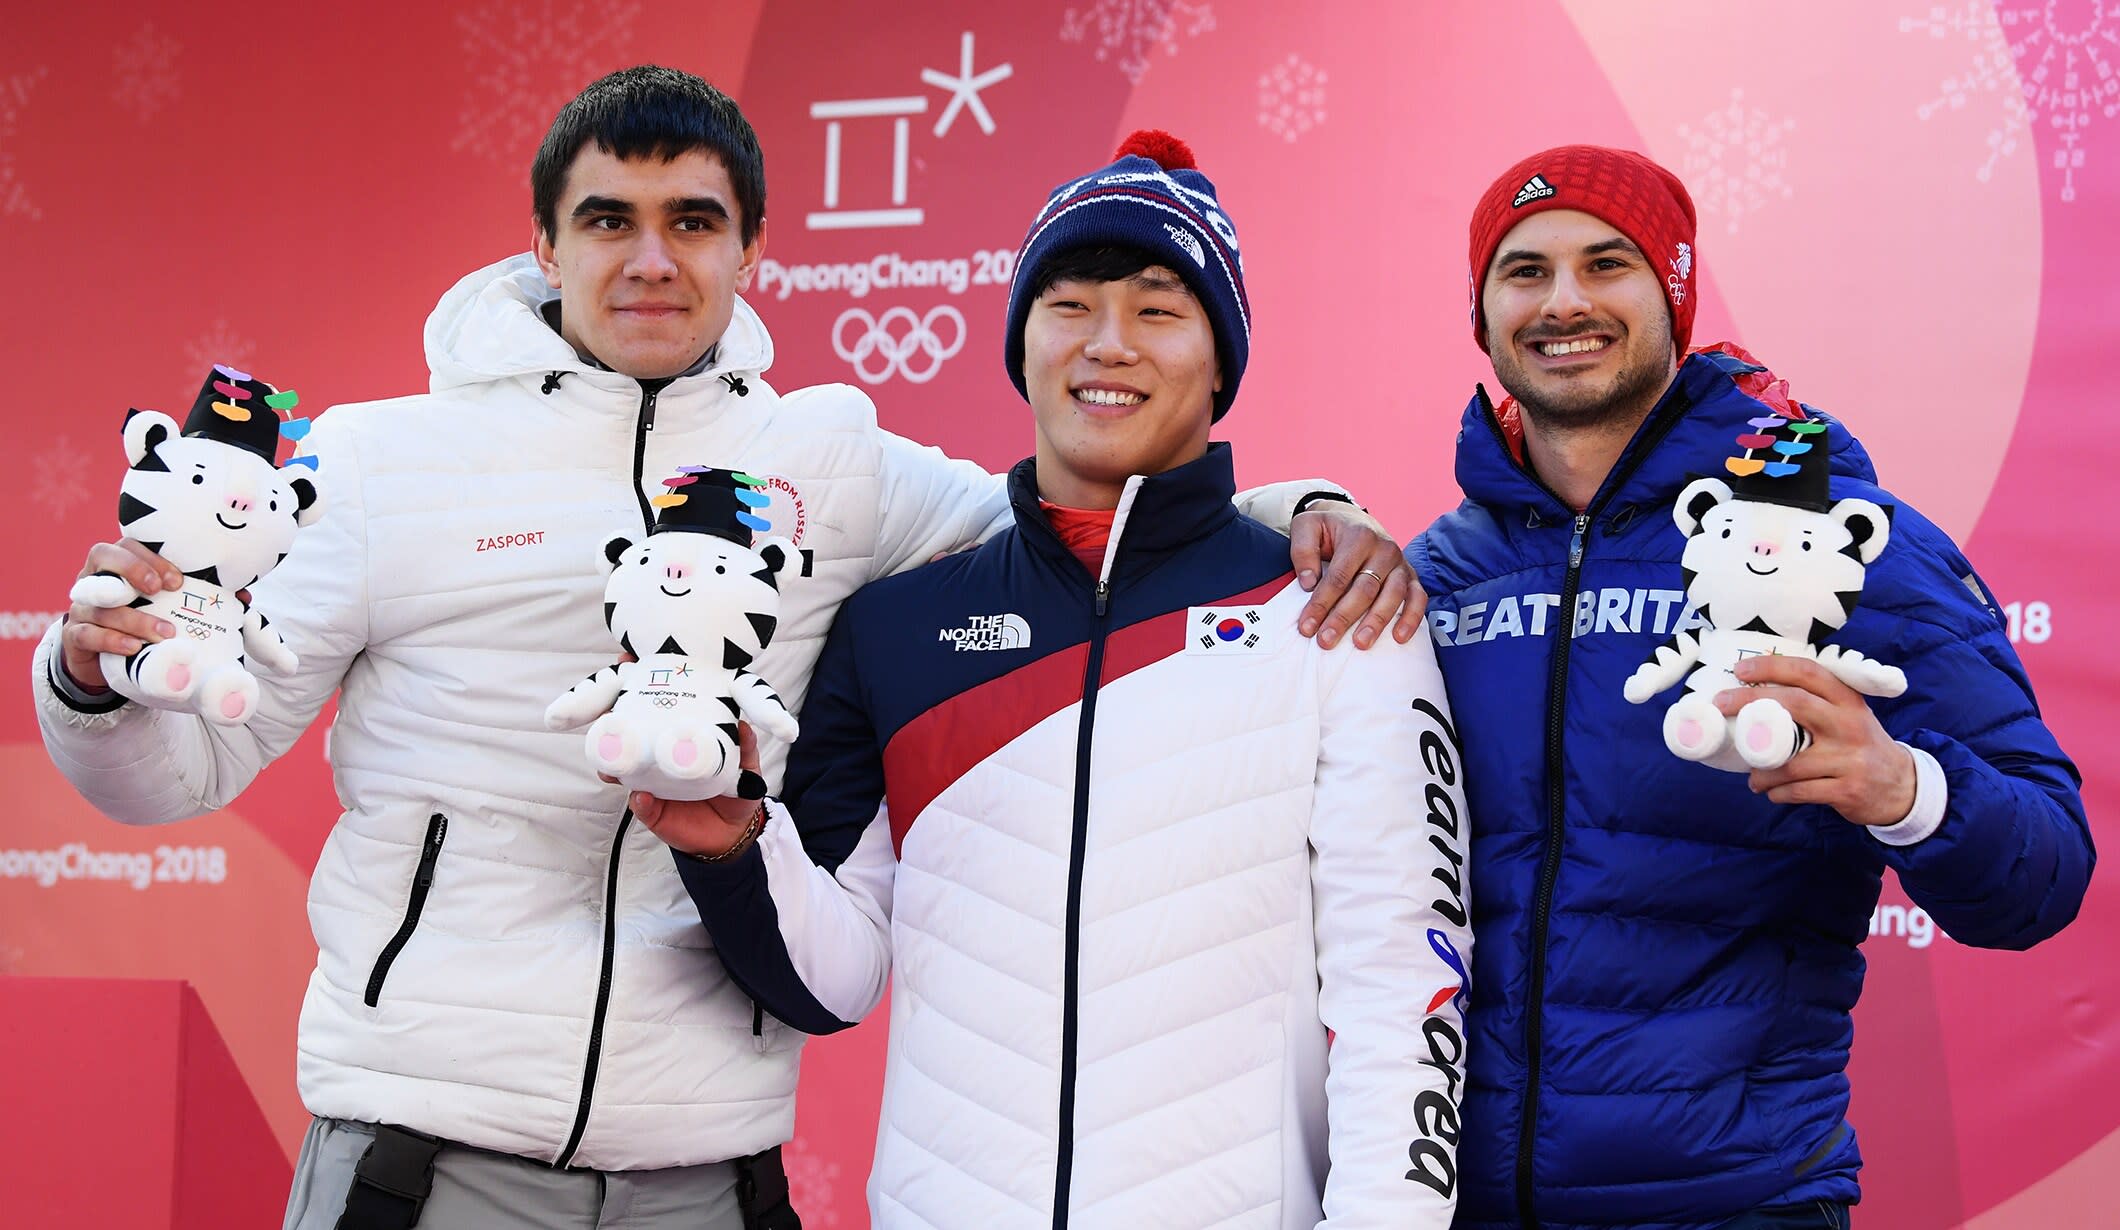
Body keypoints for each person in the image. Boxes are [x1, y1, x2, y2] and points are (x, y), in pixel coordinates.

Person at [31, 70, 1417, 1230]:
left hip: (707, 1167)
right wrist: (97, 679)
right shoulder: (383, 461)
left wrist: (1299, 512)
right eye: (609, 220)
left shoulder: (831, 457)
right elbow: (181, 770)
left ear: (751, 245)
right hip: (425, 1148)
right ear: (543, 238)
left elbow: (1084, 514)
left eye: (693, 221)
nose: (651, 259)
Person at [639, 130, 1474, 1230]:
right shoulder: (898, 624)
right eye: (1068, 305)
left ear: (1219, 361)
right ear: (1020, 342)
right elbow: (832, 980)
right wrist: (735, 848)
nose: (1108, 345)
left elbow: (1401, 981)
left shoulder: (1336, 608)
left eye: (1159, 310)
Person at [1406, 144, 2094, 1230]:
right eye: (1523, 271)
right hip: (1450, 1208)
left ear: (1673, 294)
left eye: (1606, 263)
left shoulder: (1826, 542)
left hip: (1732, 1202)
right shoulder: (1436, 574)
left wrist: (1904, 788)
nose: (1564, 302)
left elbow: (2042, 872)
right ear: (1482, 316)